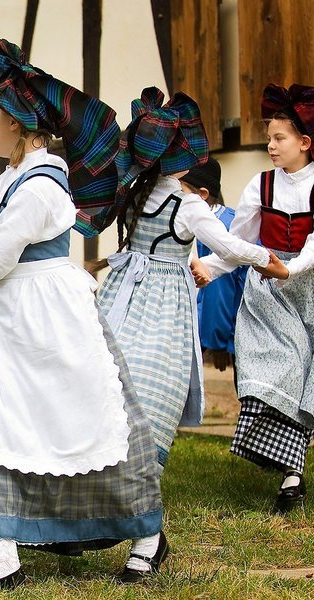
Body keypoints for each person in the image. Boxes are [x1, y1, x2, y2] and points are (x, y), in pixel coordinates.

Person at [0, 40, 163, 589]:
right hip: (14, 314)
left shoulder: (43, 181)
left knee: (81, 421)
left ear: (18, 125)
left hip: (47, 317)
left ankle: (147, 534)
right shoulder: (13, 178)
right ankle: (3, 555)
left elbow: (4, 250)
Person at [94, 88, 287, 577]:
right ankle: (139, 533)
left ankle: (143, 535)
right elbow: (230, 245)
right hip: (160, 314)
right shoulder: (185, 205)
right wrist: (269, 260)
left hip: (119, 303)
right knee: (146, 409)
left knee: (117, 400)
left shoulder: (134, 193)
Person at [195, 83, 314, 512]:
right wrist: (210, 267)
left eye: (279, 138)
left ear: (305, 142)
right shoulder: (260, 186)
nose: (271, 145)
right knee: (285, 366)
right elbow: (237, 243)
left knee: (305, 377)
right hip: (268, 292)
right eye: (269, 138)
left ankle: (291, 469)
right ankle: (290, 472)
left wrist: (291, 269)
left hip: (308, 285)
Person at [180, 158, 247, 376]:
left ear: (202, 194)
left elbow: (219, 290)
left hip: (230, 330)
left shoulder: (217, 228)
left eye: (180, 189)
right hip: (228, 327)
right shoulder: (229, 218)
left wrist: (217, 342)